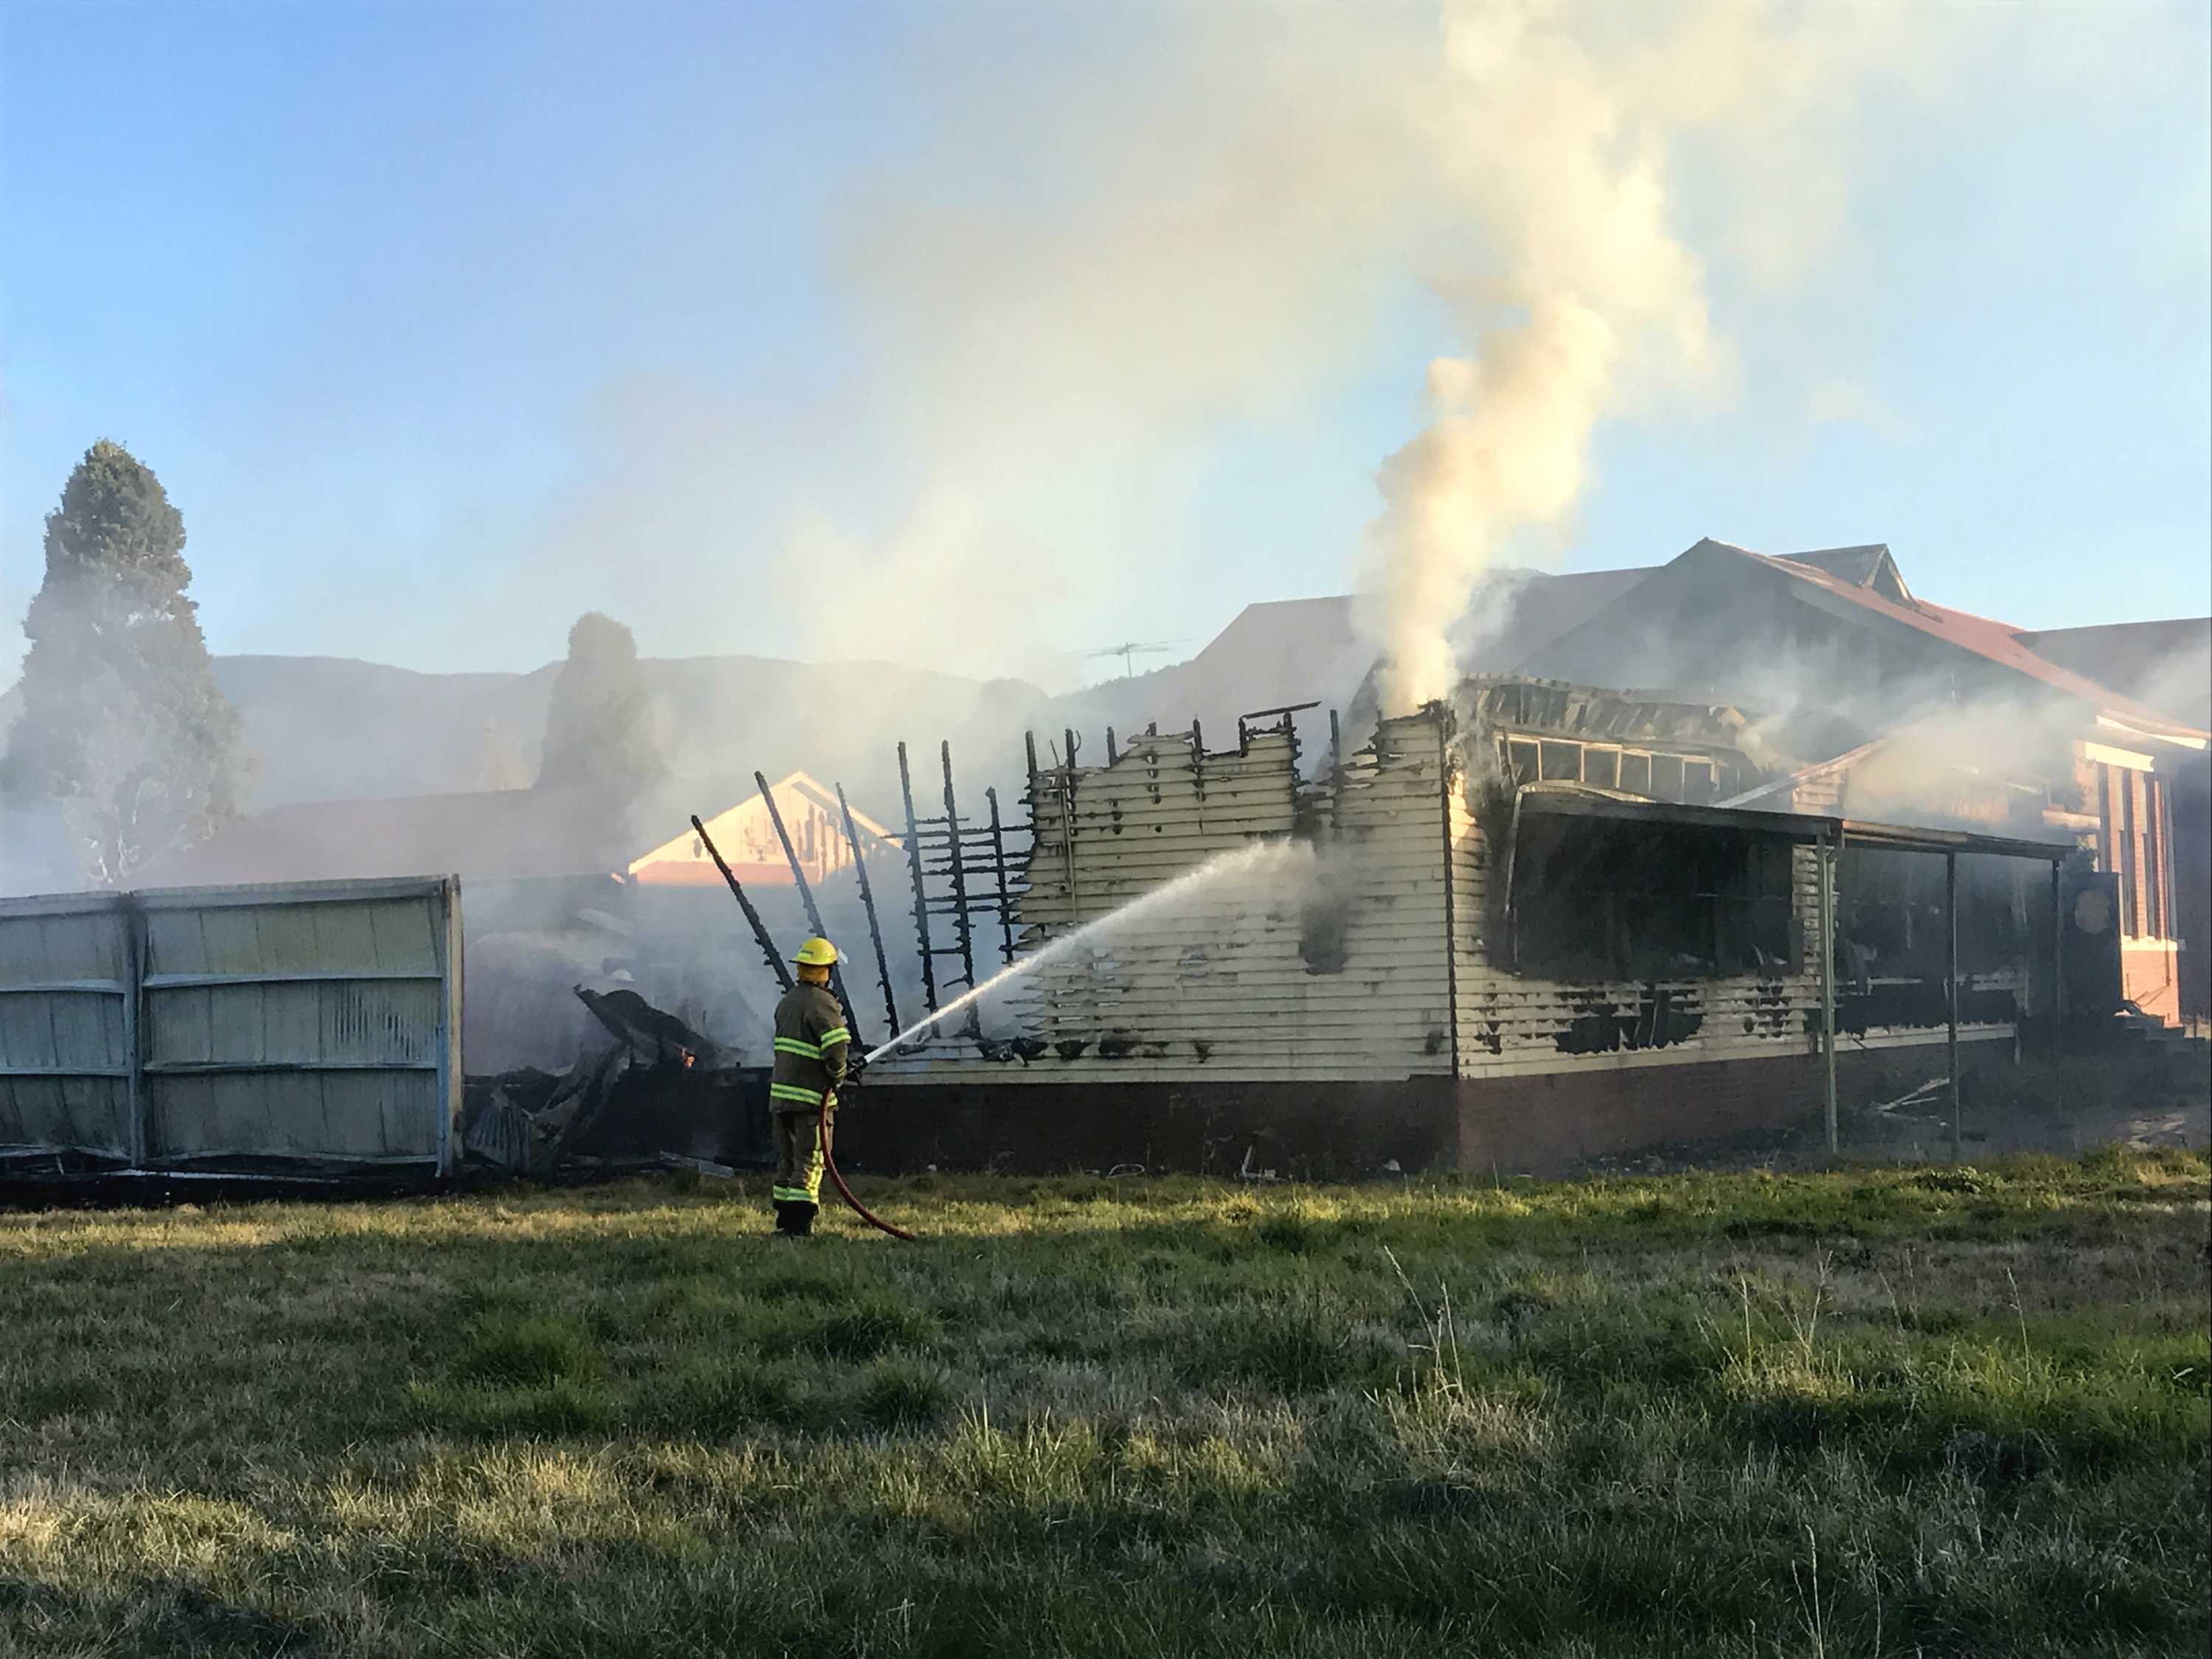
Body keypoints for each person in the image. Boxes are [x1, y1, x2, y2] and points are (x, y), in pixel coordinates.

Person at [767, 936, 850, 1237]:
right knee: (811, 1160)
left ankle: (784, 1221)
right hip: (810, 1099)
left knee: (787, 1160)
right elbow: (837, 1046)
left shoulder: (788, 1001)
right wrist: (837, 1075)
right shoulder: (822, 1002)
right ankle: (800, 1224)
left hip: (782, 1098)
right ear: (825, 969)